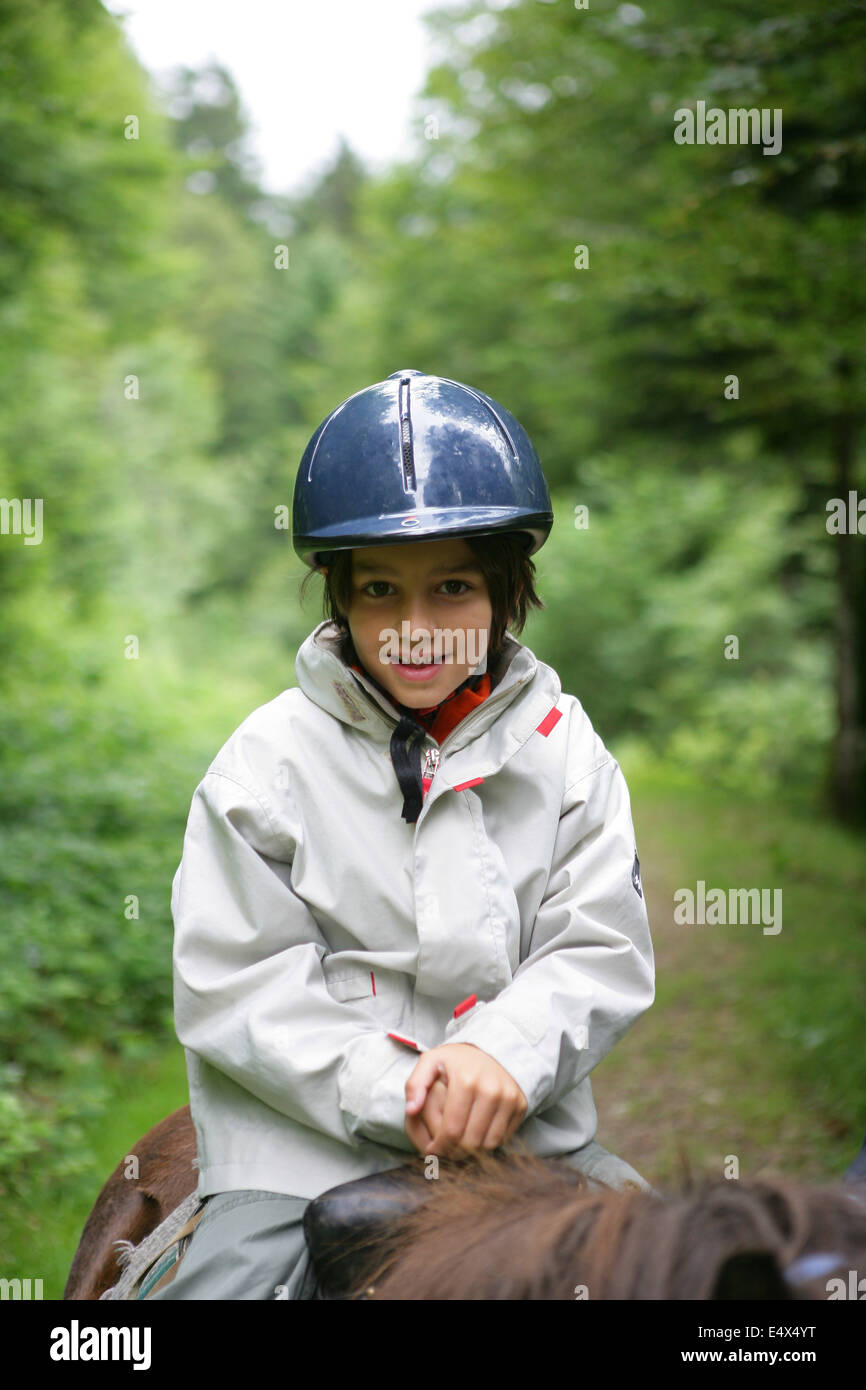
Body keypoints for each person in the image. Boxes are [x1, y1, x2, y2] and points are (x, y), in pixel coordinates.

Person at [151, 368, 655, 1300]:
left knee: (688, 1280)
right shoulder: (265, 762)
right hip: (300, 1152)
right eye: (381, 591)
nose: (415, 630)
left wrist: (503, 1054)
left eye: (453, 588)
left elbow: (599, 948)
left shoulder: (569, 752)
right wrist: (402, 1090)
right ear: (338, 596)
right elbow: (239, 981)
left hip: (528, 1143)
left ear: (509, 592)